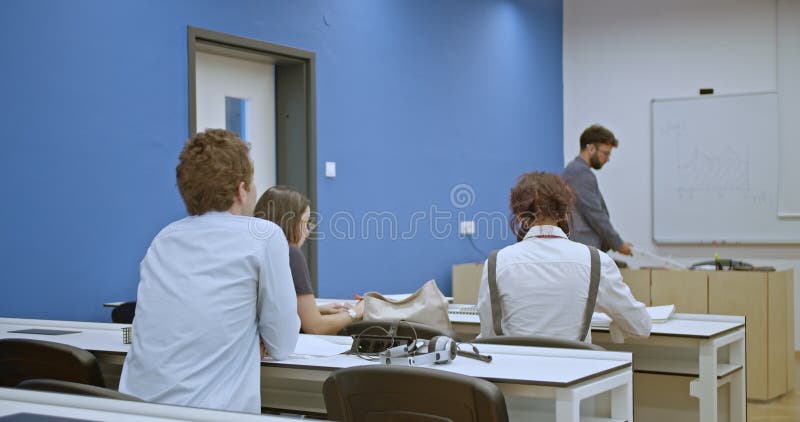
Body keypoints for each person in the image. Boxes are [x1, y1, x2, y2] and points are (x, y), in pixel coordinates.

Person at [119, 129, 300, 413]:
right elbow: (283, 342)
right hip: (208, 413)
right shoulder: (263, 235)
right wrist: (255, 337)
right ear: (242, 190)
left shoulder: (163, 240)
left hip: (134, 410)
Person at [476, 171, 651, 343]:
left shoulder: (496, 263)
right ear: (564, 213)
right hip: (578, 371)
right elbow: (640, 326)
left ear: (521, 217)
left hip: (512, 371)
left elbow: (489, 335)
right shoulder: (595, 262)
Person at [254, 185, 364, 335]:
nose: (307, 232)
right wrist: (356, 312)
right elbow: (316, 327)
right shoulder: (291, 254)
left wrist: (315, 310)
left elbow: (267, 311)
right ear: (289, 223)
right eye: (305, 223)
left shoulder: (254, 248)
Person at [561, 124, 633, 256]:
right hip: (583, 250)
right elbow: (596, 215)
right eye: (605, 153)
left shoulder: (575, 170)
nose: (607, 159)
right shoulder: (580, 173)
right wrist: (618, 244)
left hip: (581, 249)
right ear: (591, 148)